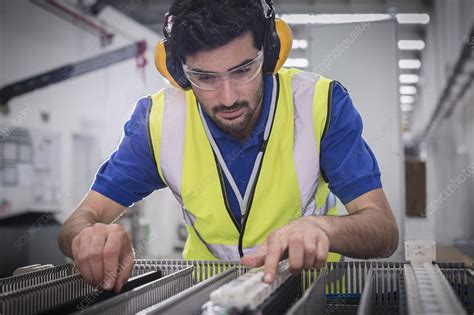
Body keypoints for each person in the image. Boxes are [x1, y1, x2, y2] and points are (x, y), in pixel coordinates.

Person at [58, 0, 399, 293]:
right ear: (177, 71)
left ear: (270, 54)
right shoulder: (156, 122)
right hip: (208, 298)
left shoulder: (320, 105)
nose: (228, 96)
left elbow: (383, 232)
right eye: (204, 77)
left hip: (312, 296)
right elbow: (76, 222)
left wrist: (323, 228)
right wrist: (89, 237)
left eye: (243, 70)